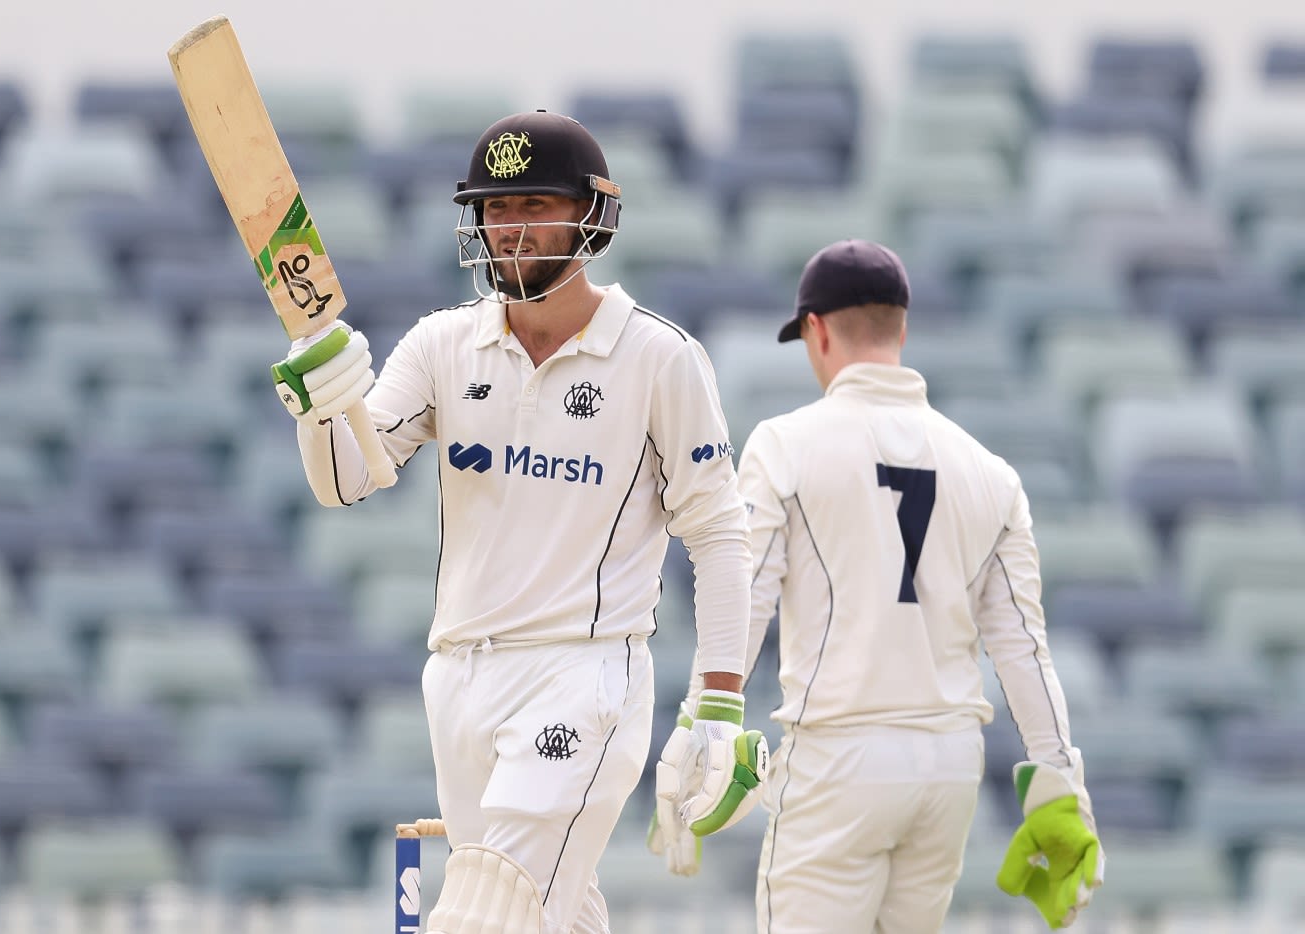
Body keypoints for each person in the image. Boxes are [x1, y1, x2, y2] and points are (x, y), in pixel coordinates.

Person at [268, 110, 766, 934]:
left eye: (534, 204)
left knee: (482, 913)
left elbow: (717, 531)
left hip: (584, 678)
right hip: (459, 679)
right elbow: (349, 479)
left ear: (589, 217)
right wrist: (322, 406)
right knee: (550, 917)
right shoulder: (442, 346)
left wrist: (717, 701)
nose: (510, 228)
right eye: (495, 209)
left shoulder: (658, 357)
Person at [732, 239, 1104, 932]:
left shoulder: (784, 444)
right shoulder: (991, 474)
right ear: (902, 328)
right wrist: (1060, 781)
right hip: (947, 767)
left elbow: (746, 597)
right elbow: (1024, 648)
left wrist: (709, 717)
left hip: (840, 753)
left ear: (815, 330)